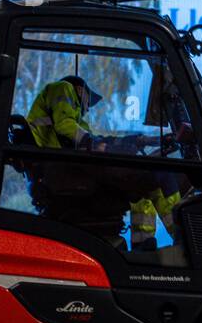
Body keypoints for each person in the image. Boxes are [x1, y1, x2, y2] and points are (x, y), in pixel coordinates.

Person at [25, 74, 182, 250]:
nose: (88, 108)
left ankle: (143, 243)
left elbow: (101, 141)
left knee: (141, 185)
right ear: (79, 89)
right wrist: (92, 144)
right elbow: (67, 126)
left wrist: (142, 140)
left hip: (68, 169)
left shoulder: (77, 126)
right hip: (68, 170)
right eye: (88, 100)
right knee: (159, 174)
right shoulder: (63, 87)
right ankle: (183, 234)